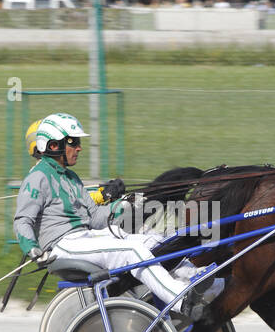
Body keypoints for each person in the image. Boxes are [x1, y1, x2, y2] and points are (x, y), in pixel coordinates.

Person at [13, 112, 223, 319]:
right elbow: (23, 220)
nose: (79, 147)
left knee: (154, 239)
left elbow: (95, 217)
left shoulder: (71, 178)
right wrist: (32, 249)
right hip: (61, 246)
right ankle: (179, 299)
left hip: (84, 237)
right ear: (52, 146)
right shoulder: (37, 178)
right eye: (72, 142)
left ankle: (199, 280)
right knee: (132, 250)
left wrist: (126, 204)